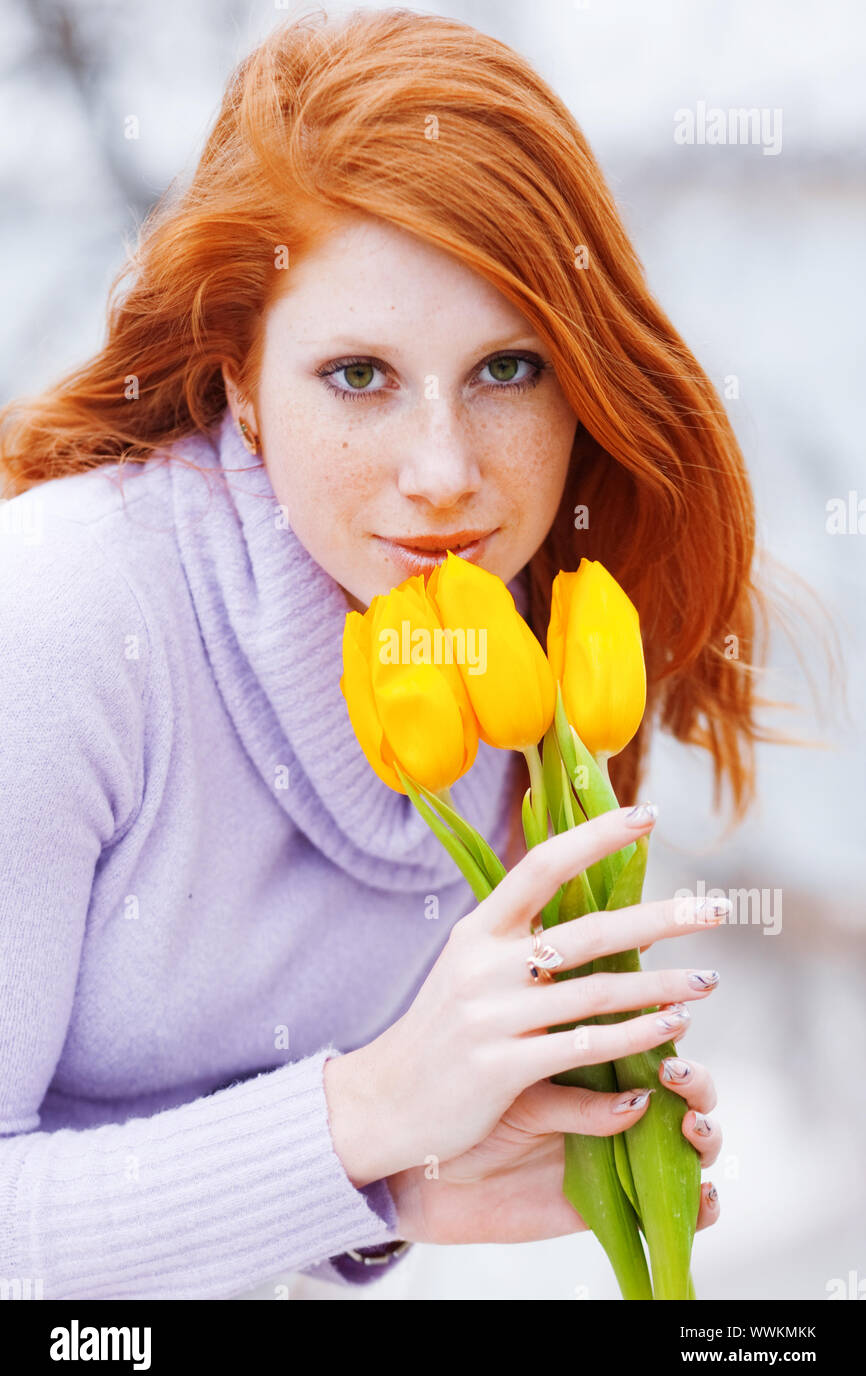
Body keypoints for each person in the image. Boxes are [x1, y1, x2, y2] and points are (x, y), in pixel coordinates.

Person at [0, 7, 803, 1299]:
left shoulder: (517, 671)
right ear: (242, 379)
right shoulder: (57, 625)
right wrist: (362, 1112)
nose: (442, 476)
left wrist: (393, 1196)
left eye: (506, 367)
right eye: (358, 375)